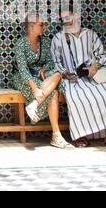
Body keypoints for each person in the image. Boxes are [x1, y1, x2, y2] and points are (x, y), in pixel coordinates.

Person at [49, 9, 106, 149]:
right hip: (71, 80)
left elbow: (103, 56)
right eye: (63, 19)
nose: (66, 21)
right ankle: (82, 136)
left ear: (76, 15)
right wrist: (65, 73)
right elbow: (55, 62)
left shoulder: (90, 35)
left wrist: (94, 67)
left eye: (69, 17)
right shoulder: (58, 38)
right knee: (77, 99)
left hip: (93, 77)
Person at [10, 12, 73, 149]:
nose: (43, 27)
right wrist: (35, 89)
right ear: (32, 26)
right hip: (24, 78)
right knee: (54, 94)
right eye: (41, 24)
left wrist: (44, 69)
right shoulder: (20, 44)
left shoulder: (46, 41)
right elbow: (23, 70)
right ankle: (56, 136)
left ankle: (33, 104)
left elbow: (51, 62)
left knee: (57, 74)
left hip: (42, 76)